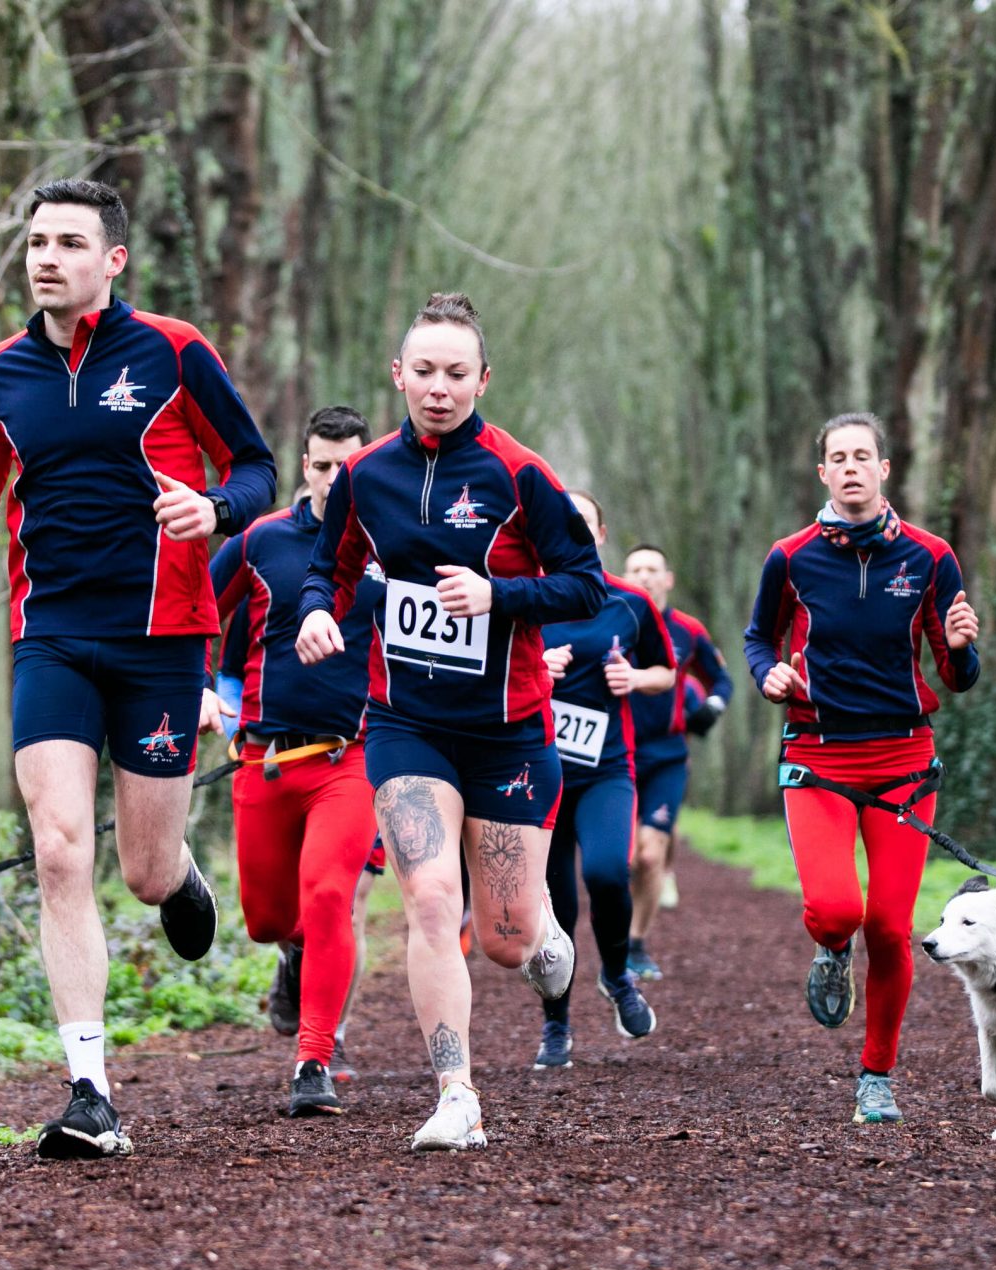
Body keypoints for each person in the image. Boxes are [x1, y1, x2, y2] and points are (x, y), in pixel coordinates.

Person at [0, 179, 276, 1159]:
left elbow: (255, 468)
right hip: (52, 636)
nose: (46, 257)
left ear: (111, 261)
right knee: (59, 849)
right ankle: (88, 1091)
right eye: (35, 241)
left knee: (142, 872)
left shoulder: (170, 350)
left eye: (69, 242)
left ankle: (178, 868)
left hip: (162, 636)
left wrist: (218, 513)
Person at [295, 292, 605, 1152]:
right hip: (406, 724)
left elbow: (586, 586)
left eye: (456, 374)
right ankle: (456, 1094)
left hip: (509, 730)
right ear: (398, 374)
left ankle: (543, 937)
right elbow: (333, 566)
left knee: (505, 941)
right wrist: (320, 610)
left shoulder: (518, 474)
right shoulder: (367, 475)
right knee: (432, 899)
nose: (439, 388)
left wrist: (498, 597)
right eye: (423, 371)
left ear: (483, 379)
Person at [742, 411, 980, 1126]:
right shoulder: (790, 556)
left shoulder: (932, 557)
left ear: (883, 470)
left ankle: (876, 1076)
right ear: (823, 474)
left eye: (862, 456)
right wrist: (769, 676)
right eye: (837, 457)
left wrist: (966, 649)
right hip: (817, 756)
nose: (850, 467)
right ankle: (830, 950)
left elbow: (955, 673)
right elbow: (759, 637)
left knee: (892, 928)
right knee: (838, 911)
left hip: (904, 758)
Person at [209, 405, 382, 1117]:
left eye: (349, 467)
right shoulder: (258, 543)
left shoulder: (394, 550)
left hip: (351, 759)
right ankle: (290, 957)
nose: (334, 479)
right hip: (263, 758)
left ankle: (313, 1057)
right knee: (268, 917)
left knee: (330, 898)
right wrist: (201, 689)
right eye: (321, 465)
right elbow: (193, 608)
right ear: (303, 466)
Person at [531, 492, 675, 1069]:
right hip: (539, 769)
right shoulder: (526, 597)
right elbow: (489, 673)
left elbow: (666, 673)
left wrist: (635, 679)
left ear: (601, 533)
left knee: (608, 870)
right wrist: (536, 671)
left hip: (606, 768)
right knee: (556, 906)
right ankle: (556, 1026)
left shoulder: (631, 603)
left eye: (582, 524)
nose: (572, 533)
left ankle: (617, 976)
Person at [619, 544, 735, 981]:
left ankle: (635, 944)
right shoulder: (609, 617)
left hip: (667, 756)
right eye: (636, 569)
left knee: (649, 857)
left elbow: (721, 678)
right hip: (616, 755)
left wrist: (714, 705)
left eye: (652, 569)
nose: (644, 576)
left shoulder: (687, 630)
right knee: (622, 858)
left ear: (667, 578)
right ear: (624, 577)